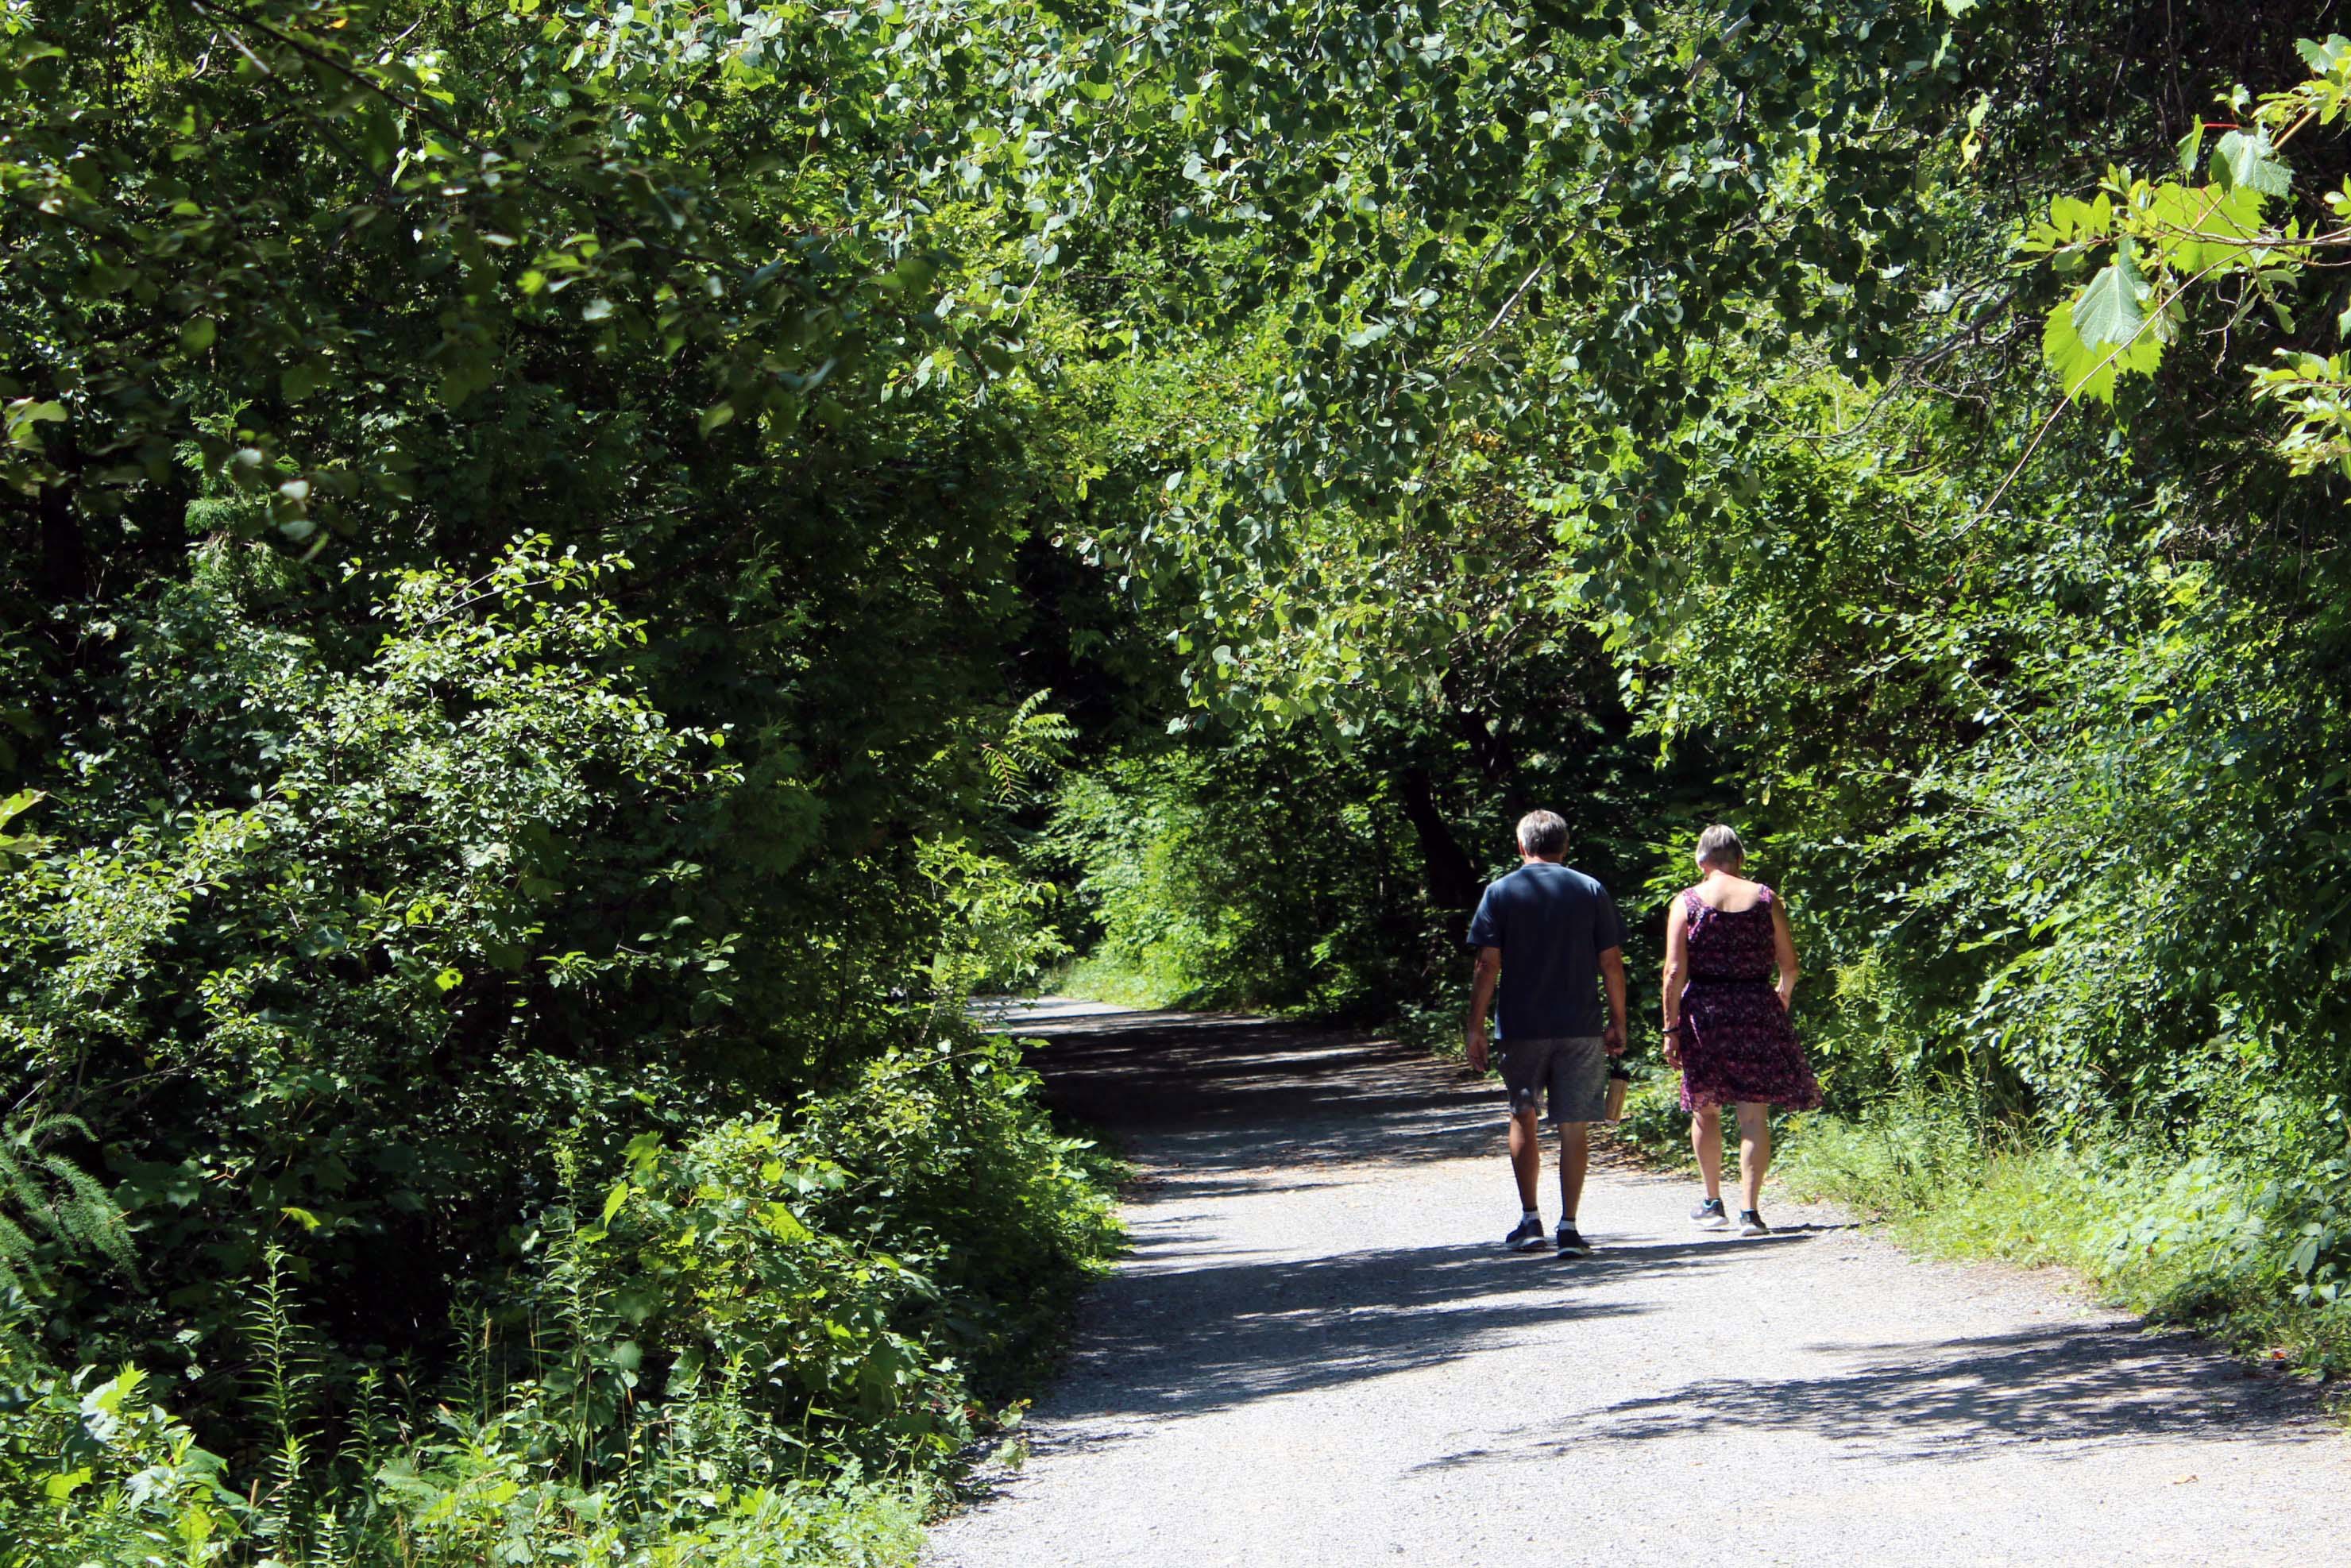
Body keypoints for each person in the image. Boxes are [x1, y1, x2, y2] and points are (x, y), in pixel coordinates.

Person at [1465, 809, 1628, 1257]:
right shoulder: (1590, 889)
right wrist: (1618, 1020)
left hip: (1522, 1026)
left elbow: (1487, 964)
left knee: (1524, 1114)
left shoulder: (1500, 892)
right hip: (1580, 1026)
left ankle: (1531, 1221)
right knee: (1574, 1126)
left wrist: (1475, 1027)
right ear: (1565, 846)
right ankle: (1569, 1228)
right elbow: (1611, 962)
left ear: (1522, 846)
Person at [1660, 824, 1822, 1238]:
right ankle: (1751, 1213)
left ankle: (1713, 1204)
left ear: (1701, 859)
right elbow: (1790, 965)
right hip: (1755, 1006)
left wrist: (1670, 1027)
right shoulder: (1766, 898)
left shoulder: (1688, 901)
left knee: (1705, 1108)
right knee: (1753, 1114)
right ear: (1740, 859)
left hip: (1705, 1011)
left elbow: (1674, 971)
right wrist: (1780, 998)